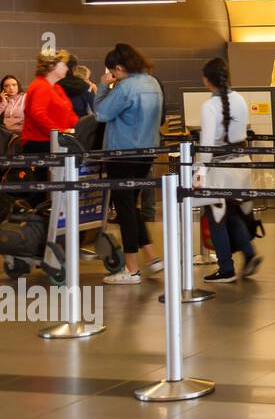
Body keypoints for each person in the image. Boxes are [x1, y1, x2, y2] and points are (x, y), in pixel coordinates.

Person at [95, 43, 165, 284]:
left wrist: (103, 87)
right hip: (146, 151)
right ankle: (152, 257)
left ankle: (132, 269)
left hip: (122, 153)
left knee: (124, 209)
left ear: (119, 67)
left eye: (113, 72)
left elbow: (101, 113)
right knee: (131, 205)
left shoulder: (125, 87)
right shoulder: (152, 82)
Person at [195, 58, 262, 283]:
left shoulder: (209, 106)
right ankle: (249, 253)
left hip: (219, 167)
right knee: (232, 212)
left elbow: (206, 146)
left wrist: (199, 172)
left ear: (207, 80)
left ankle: (226, 268)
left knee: (216, 217)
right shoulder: (240, 99)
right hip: (242, 163)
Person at [18, 51, 79, 204]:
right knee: (40, 189)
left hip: (53, 142)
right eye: (63, 64)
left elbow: (70, 114)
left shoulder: (56, 88)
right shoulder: (40, 86)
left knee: (49, 187)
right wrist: (58, 132)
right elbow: (38, 113)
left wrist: (77, 128)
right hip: (39, 143)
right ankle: (33, 223)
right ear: (52, 66)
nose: (67, 68)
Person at [1, 74, 25, 141]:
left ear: (18, 86)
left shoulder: (25, 98)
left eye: (14, 85)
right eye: (6, 86)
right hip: (5, 135)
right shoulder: (2, 100)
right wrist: (3, 103)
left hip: (21, 134)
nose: (11, 88)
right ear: (3, 89)